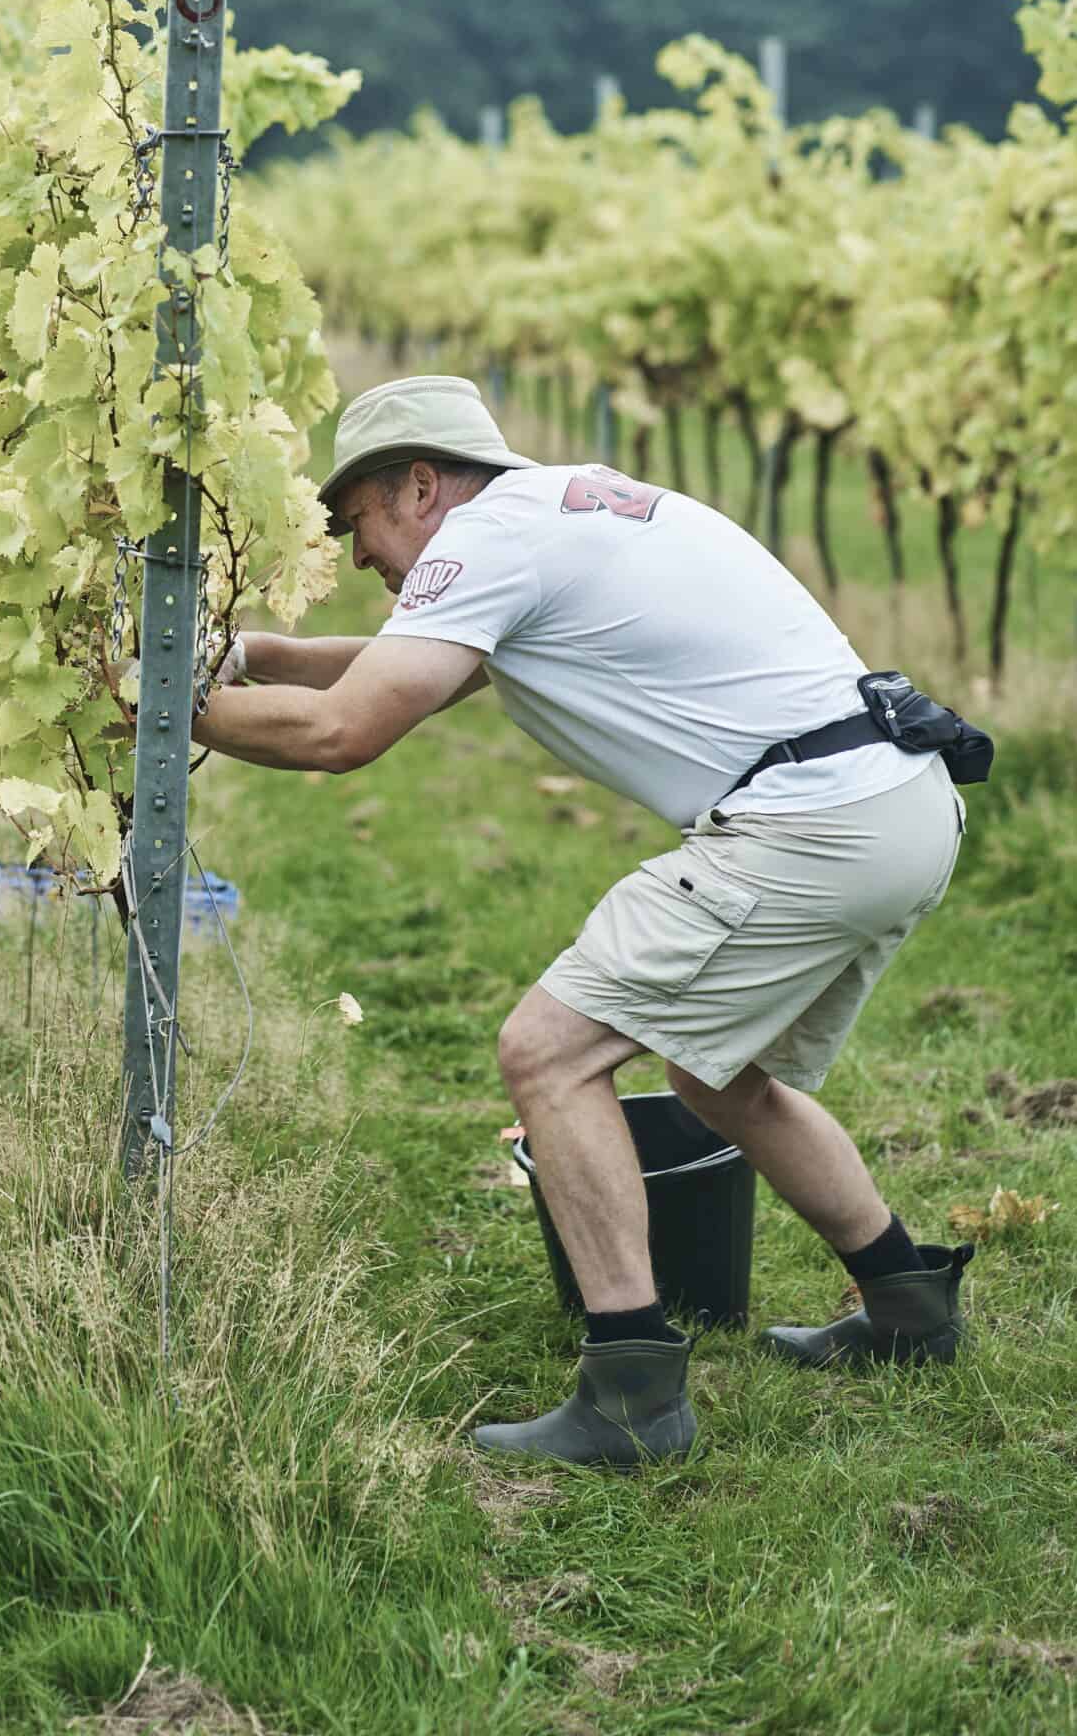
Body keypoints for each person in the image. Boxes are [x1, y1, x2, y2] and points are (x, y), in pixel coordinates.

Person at [192, 374, 974, 1470]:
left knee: (547, 1052)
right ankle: (907, 1301)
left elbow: (341, 733)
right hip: (896, 800)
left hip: (807, 824)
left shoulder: (486, 547)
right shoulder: (559, 509)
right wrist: (253, 656)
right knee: (715, 1076)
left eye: (357, 519)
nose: (358, 553)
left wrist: (157, 706)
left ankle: (630, 1393)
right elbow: (410, 672)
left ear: (420, 484)